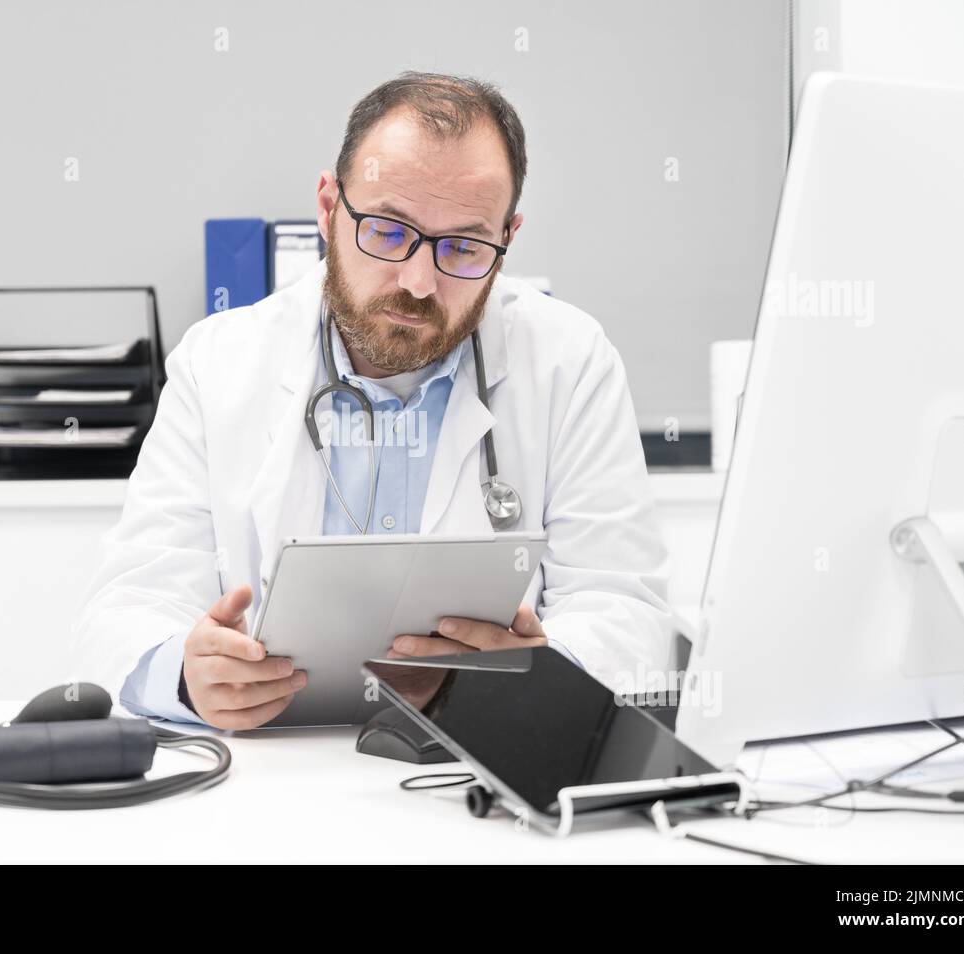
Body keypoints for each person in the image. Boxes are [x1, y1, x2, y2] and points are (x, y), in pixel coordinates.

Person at [72, 71, 672, 729]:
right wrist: (187, 677)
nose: (418, 283)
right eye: (388, 232)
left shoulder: (570, 362)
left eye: (464, 247)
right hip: (265, 783)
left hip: (469, 772)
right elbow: (129, 605)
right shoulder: (217, 362)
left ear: (509, 237)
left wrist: (540, 673)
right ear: (328, 208)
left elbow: (627, 610)